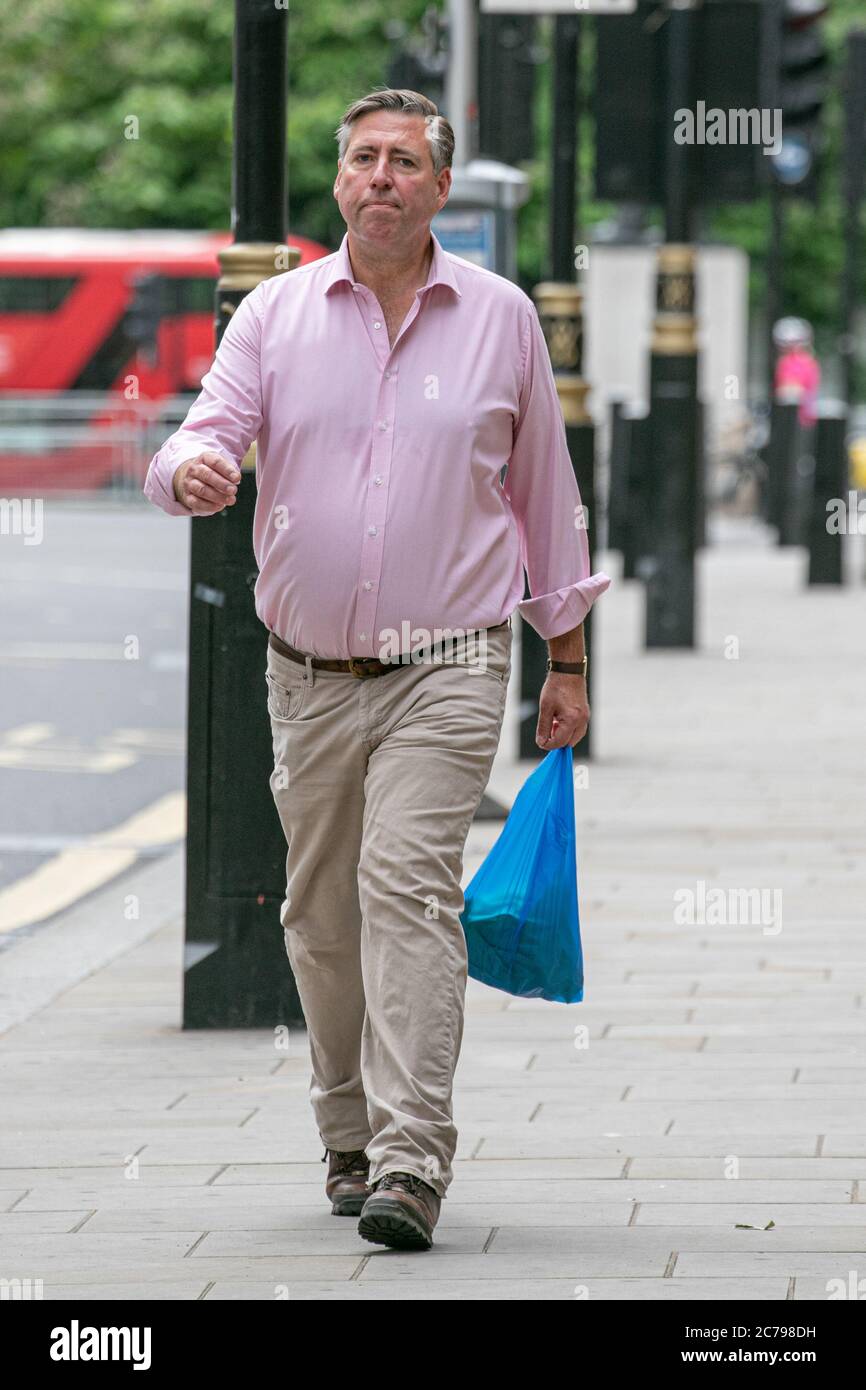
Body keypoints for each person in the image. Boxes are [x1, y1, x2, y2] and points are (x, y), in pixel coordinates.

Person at [143, 88, 611, 1251]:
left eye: (406, 161)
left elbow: (543, 496)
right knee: (318, 914)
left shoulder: (498, 318)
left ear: (439, 189)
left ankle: (410, 1157)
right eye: (363, 159)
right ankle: (344, 1130)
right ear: (339, 181)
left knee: (406, 891)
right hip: (305, 672)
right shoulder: (274, 313)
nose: (382, 178)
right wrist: (192, 467)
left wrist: (567, 657)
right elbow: (207, 428)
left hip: (449, 662)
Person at [773, 317, 820, 429]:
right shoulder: (809, 361)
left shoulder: (791, 362)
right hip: (806, 421)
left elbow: (789, 394)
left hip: (793, 422)